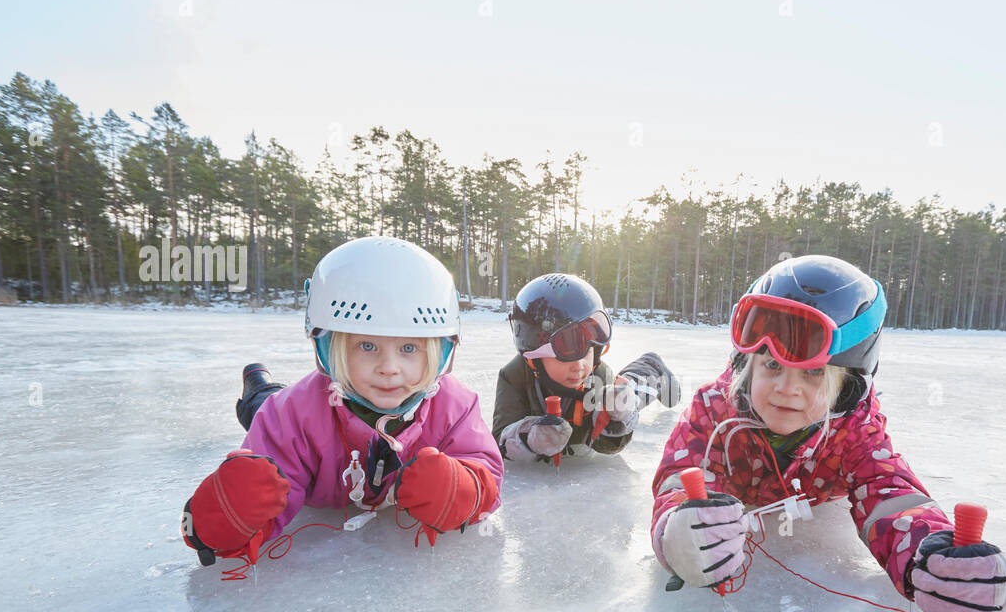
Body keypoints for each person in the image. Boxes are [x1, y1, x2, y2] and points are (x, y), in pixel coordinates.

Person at [649, 255, 1006, 612]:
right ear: (748, 364)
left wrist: (934, 561)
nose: (786, 389)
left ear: (845, 384)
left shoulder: (856, 431)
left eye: (813, 373)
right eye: (772, 365)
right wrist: (678, 530)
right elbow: (680, 471)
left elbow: (889, 493)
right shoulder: (714, 408)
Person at [181, 236, 502, 566]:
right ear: (330, 347)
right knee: (261, 406)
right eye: (366, 346)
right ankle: (257, 386)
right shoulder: (290, 414)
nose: (389, 369)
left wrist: (464, 489)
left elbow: (485, 469)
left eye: (409, 348)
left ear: (440, 351)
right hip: (292, 403)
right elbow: (263, 489)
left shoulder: (454, 406)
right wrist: (224, 520)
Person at [493, 273, 680, 463]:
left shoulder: (597, 375)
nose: (580, 366)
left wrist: (616, 419)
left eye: (587, 352)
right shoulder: (513, 376)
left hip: (621, 390)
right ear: (535, 358)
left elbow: (606, 445)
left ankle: (652, 368)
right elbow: (499, 439)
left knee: (626, 397)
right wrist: (528, 437)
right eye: (566, 356)